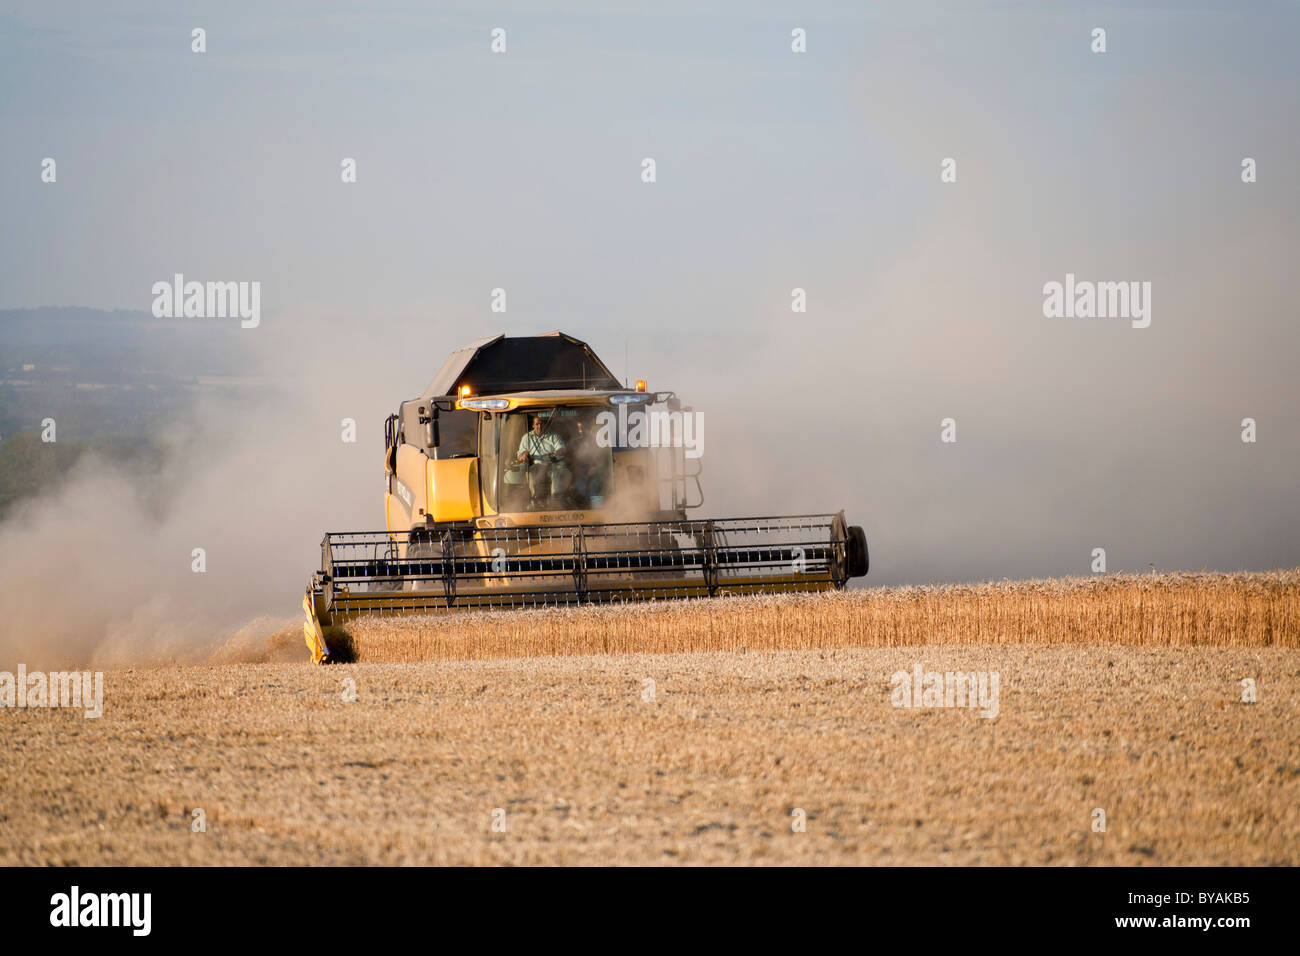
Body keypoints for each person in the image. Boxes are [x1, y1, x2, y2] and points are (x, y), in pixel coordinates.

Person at [515, 413, 566, 503]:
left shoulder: (554, 436)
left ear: (545, 424)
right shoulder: (526, 437)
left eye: (542, 424)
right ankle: (535, 500)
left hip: (551, 464)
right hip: (535, 466)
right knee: (530, 474)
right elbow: (521, 454)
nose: (540, 426)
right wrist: (524, 456)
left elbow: (561, 448)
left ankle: (556, 499)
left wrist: (559, 451)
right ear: (533, 425)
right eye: (537, 424)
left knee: (556, 471)